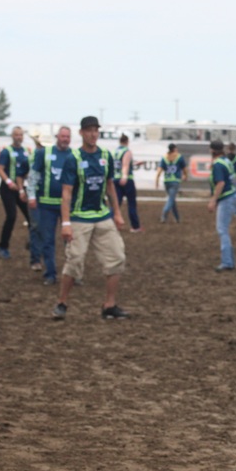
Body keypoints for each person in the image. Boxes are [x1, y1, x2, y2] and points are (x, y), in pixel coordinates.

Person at [52, 116, 129, 321]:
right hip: (79, 218)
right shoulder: (73, 158)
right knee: (75, 260)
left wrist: (117, 213)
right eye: (88, 130)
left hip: (102, 215)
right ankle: (62, 302)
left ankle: (109, 305)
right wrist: (66, 223)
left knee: (117, 257)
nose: (93, 134)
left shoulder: (105, 155)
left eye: (95, 130)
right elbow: (66, 192)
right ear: (81, 133)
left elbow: (110, 185)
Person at [27, 126, 73, 285]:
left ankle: (72, 274)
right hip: (46, 205)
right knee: (47, 240)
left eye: (68, 137)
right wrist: (31, 195)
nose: (65, 139)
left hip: (67, 205)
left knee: (71, 241)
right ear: (57, 137)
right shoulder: (44, 153)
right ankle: (50, 274)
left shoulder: (74, 155)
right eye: (63, 136)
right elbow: (33, 175)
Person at [0, 126, 31, 260]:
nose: (19, 137)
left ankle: (32, 242)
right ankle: (3, 247)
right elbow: (0, 169)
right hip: (7, 189)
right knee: (11, 216)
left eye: (21, 135)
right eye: (16, 135)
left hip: (21, 188)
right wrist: (9, 182)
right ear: (12, 136)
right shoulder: (6, 151)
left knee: (31, 216)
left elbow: (27, 169)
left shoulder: (26, 152)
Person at [207, 139, 236, 272]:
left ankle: (227, 262)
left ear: (212, 150)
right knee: (224, 229)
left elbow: (220, 183)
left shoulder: (218, 164)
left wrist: (213, 200)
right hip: (231, 195)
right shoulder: (226, 161)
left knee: (222, 229)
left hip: (225, 197)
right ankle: (229, 260)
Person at [113, 134, 143, 233]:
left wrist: (135, 164)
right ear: (127, 141)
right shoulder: (127, 151)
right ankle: (135, 226)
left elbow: (121, 164)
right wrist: (125, 176)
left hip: (116, 179)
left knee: (116, 204)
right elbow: (125, 165)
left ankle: (110, 224)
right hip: (127, 180)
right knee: (131, 204)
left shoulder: (115, 152)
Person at [156, 143, 188, 223]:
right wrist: (185, 176)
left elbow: (159, 171)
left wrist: (157, 180)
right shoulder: (179, 157)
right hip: (175, 181)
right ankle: (164, 214)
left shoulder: (164, 158)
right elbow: (184, 169)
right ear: (174, 149)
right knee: (171, 199)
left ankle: (177, 218)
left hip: (167, 181)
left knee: (172, 199)